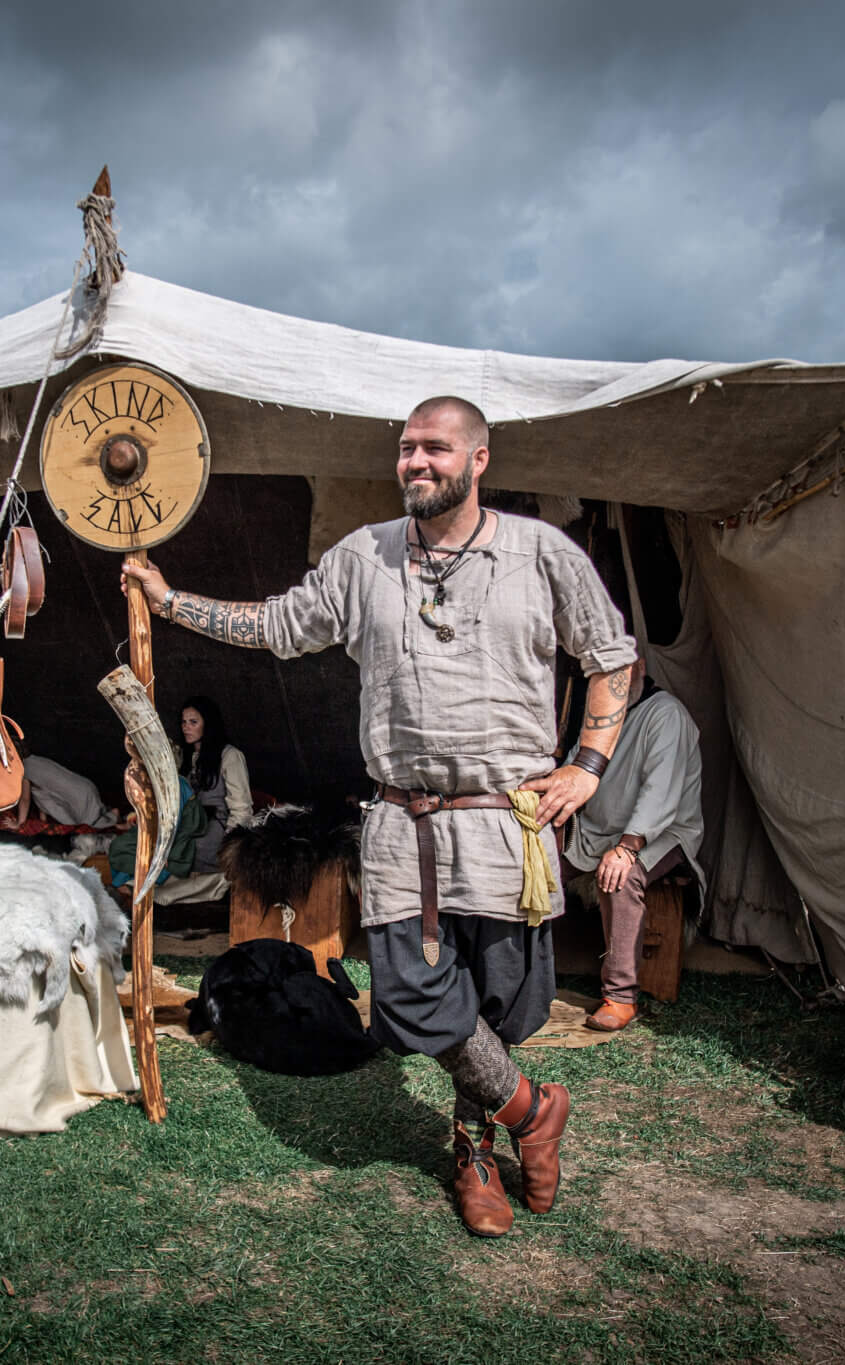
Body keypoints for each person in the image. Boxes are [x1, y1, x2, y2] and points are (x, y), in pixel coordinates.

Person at [121, 395, 640, 1238]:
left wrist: (586, 766)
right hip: (403, 827)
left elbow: (612, 657)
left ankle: (475, 1150)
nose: (415, 462)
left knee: (499, 1006)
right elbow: (278, 625)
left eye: (435, 448)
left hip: (504, 825)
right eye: (406, 449)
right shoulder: (364, 556)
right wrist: (172, 598)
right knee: (408, 995)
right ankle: (534, 1110)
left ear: (478, 459)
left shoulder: (542, 553)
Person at [563, 687, 704, 1031]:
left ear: (638, 665)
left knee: (621, 880)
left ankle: (620, 997)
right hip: (597, 830)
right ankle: (518, 977)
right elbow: (574, 766)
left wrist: (628, 847)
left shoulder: (666, 713)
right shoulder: (602, 711)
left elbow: (661, 791)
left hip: (662, 830)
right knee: (539, 862)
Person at [174, 695, 253, 871]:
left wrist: (229, 847)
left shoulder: (230, 756)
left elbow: (241, 809)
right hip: (188, 829)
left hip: (215, 831)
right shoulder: (184, 758)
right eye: (184, 722)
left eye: (193, 722)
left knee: (186, 858)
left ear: (208, 724)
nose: (186, 727)